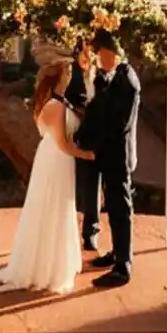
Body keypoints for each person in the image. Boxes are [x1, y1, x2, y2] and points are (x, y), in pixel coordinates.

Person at [0, 60, 94, 296]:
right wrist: (87, 154)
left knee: (52, 209)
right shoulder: (55, 107)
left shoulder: (49, 104)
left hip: (51, 157)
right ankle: (49, 267)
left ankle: (50, 259)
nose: (70, 81)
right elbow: (64, 145)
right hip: (56, 159)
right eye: (66, 77)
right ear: (58, 82)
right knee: (54, 209)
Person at [75, 29, 141, 288]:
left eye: (100, 54)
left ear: (111, 53)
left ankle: (123, 265)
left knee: (120, 208)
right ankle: (116, 253)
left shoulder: (127, 81)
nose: (98, 60)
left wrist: (89, 141)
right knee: (113, 207)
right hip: (109, 155)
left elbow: (118, 124)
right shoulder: (114, 76)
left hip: (118, 156)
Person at [64, 38, 102, 253]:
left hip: (96, 139)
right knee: (68, 184)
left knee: (93, 186)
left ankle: (91, 233)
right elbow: (63, 100)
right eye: (84, 54)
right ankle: (64, 230)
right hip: (73, 137)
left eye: (91, 54)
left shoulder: (104, 75)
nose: (87, 58)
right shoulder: (70, 75)